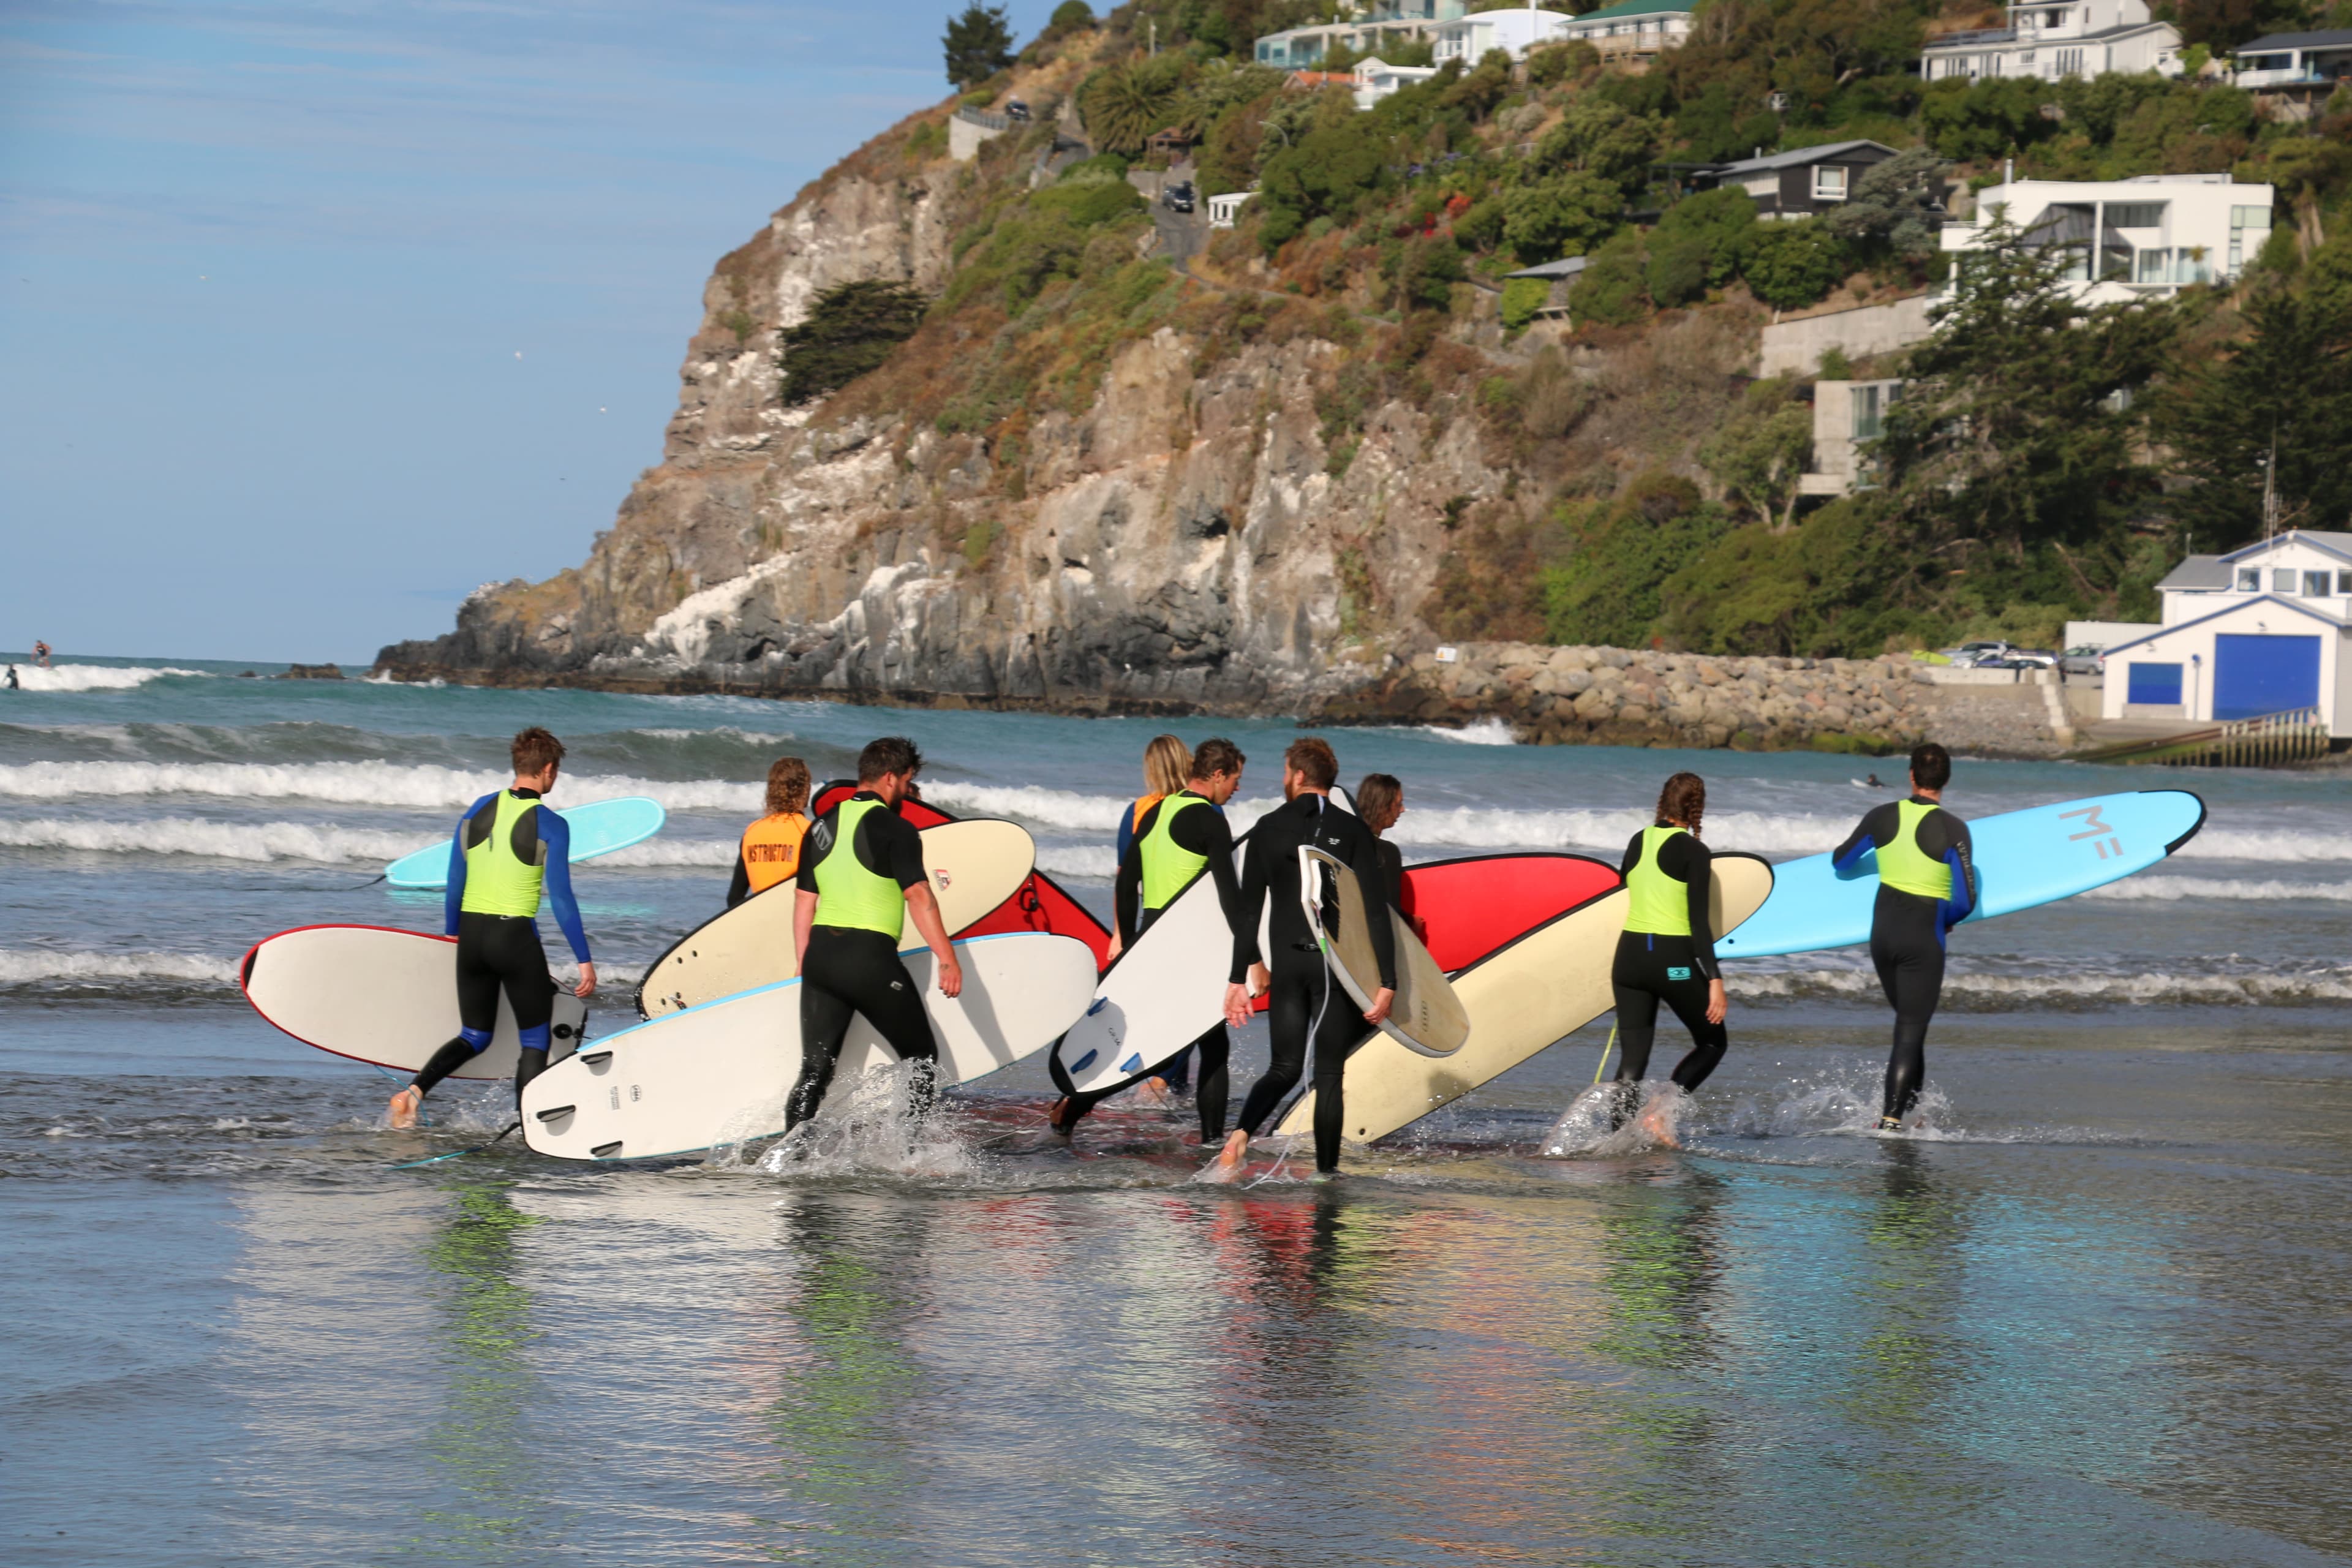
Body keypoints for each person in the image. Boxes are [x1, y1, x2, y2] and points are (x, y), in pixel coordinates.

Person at [389, 728, 597, 1128]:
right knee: (535, 1041)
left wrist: (452, 935)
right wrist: (584, 960)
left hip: (471, 937)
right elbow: (563, 899)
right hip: (514, 938)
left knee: (474, 1036)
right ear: (549, 770)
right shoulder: (551, 824)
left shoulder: (477, 810)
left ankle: (412, 1094)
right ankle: (533, 1133)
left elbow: (454, 881)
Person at [1211, 737, 1395, 1180]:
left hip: (1289, 965)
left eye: (1285, 773)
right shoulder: (1353, 832)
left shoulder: (1267, 827)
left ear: (1297, 775)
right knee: (1329, 1074)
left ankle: (1239, 1137)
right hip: (1336, 968)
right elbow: (1374, 909)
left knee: (1284, 1067)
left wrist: (1238, 978)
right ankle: (1326, 1176)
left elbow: (1248, 911)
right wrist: (1387, 981)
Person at [1050, 737, 1249, 1144]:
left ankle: (1074, 1107)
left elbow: (1127, 881)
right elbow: (1231, 898)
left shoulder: (1159, 809)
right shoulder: (1209, 818)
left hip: (1149, 938)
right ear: (1217, 775)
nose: (1237, 789)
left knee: (1152, 1041)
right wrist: (1248, 954)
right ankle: (1212, 1144)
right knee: (1211, 1047)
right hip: (1187, 946)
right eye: (1235, 779)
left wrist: (1126, 941)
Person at [785, 737, 961, 1130]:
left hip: (820, 961)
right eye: (907, 781)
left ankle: (788, 1161)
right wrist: (948, 960)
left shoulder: (819, 827)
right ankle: (910, 1155)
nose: (907, 792)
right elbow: (919, 896)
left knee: (814, 1071)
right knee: (921, 1059)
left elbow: (803, 899)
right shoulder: (896, 828)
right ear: (890, 778)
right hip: (868, 958)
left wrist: (803, 963)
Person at [1832, 742, 1976, 1133]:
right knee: (1910, 1029)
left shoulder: (1880, 817)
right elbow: (1966, 900)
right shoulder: (1954, 829)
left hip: (1882, 936)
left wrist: (1883, 856)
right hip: (1922, 938)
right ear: (1946, 780)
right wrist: (1945, 918)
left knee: (1912, 1029)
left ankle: (1913, 1115)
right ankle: (1891, 1122)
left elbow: (1841, 861)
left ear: (1911, 775)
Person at [1605, 772, 1728, 1140]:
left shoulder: (1637, 840)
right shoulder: (1694, 851)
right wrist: (1715, 981)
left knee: (1632, 1059)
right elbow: (1698, 924)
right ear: (1697, 808)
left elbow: (1621, 888)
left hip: (1628, 960)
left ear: (1663, 801)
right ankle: (1659, 1114)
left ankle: (1617, 1140)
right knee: (1712, 1041)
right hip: (1671, 964)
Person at [1115, 734, 1202, 1098]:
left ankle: (1159, 1084)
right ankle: (1165, 1086)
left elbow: (1125, 876)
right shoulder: (1199, 809)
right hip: (1192, 922)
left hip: (1147, 920)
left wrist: (1120, 933)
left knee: (1157, 1006)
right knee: (1192, 1012)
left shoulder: (1138, 810)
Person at [727, 756, 812, 907]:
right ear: (805, 791)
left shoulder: (752, 832)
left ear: (772, 790)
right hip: (794, 921)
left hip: (762, 922)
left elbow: (734, 898)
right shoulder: (809, 832)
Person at [1354, 773, 1408, 911]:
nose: (1403, 810)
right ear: (1383, 807)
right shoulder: (1387, 852)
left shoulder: (1346, 841)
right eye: (1398, 804)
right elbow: (1391, 910)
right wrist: (1411, 922)